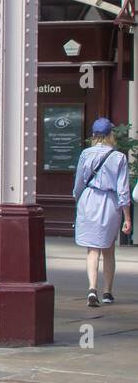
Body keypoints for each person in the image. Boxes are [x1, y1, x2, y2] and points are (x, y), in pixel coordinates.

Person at [73, 117, 131, 307]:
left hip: (89, 200)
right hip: (109, 202)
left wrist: (78, 200)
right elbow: (123, 190)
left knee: (92, 249)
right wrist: (127, 217)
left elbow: (79, 184)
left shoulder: (85, 154)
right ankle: (107, 292)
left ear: (93, 135)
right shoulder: (119, 157)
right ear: (110, 135)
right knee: (108, 249)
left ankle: (92, 289)